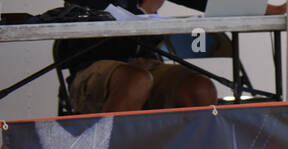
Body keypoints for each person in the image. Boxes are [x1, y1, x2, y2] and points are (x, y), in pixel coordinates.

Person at [56, 0, 218, 114]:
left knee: (199, 88)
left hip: (145, 65)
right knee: (136, 81)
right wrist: (145, 10)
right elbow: (107, 26)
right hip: (91, 68)